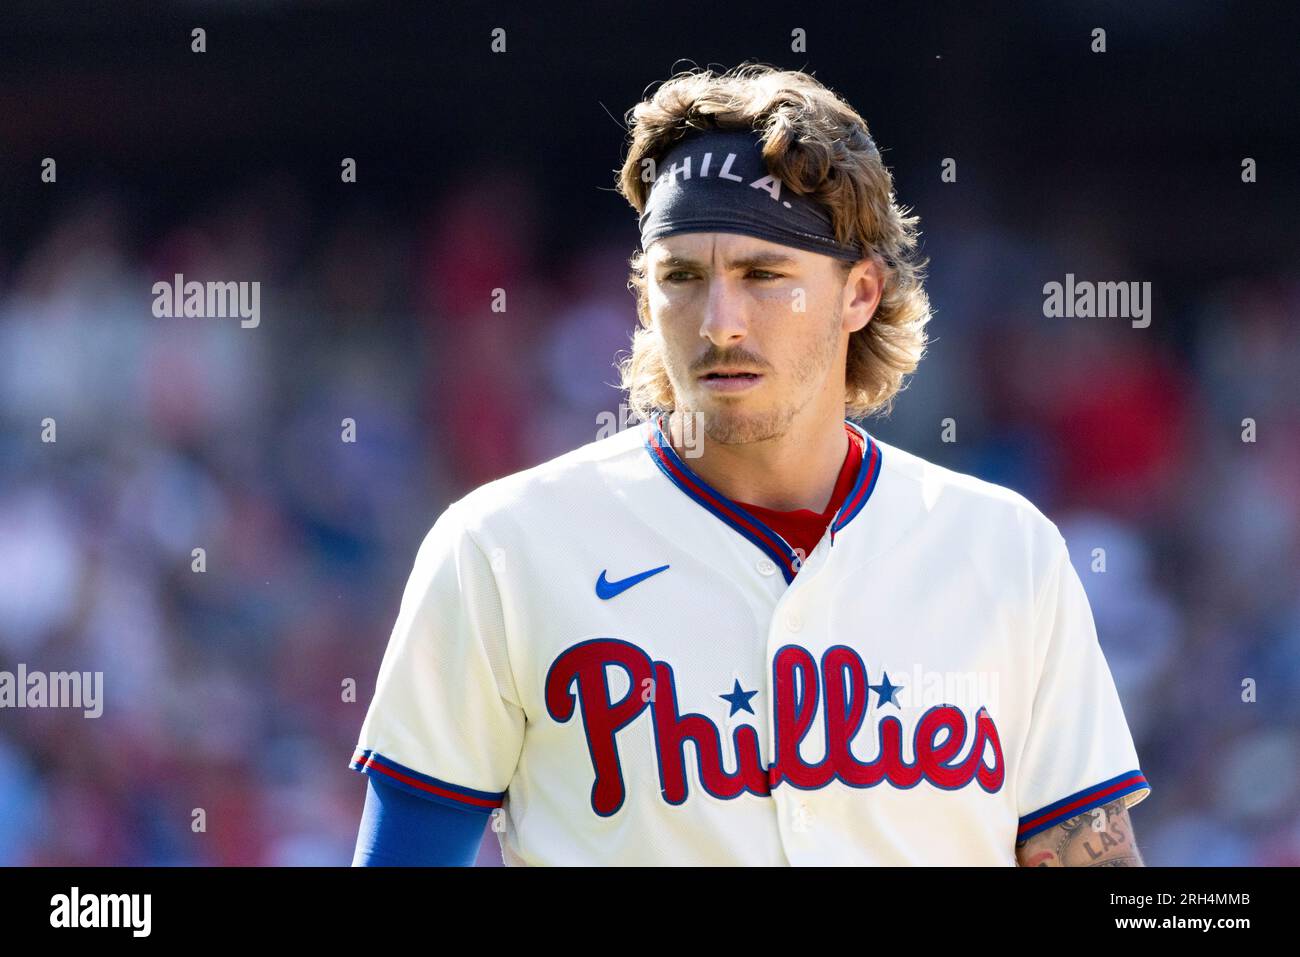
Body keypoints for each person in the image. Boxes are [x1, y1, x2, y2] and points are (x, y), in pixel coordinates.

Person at [350, 63, 1150, 866]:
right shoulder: (500, 549)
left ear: (860, 293)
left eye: (763, 275)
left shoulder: (1007, 549)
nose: (720, 322)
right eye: (682, 277)